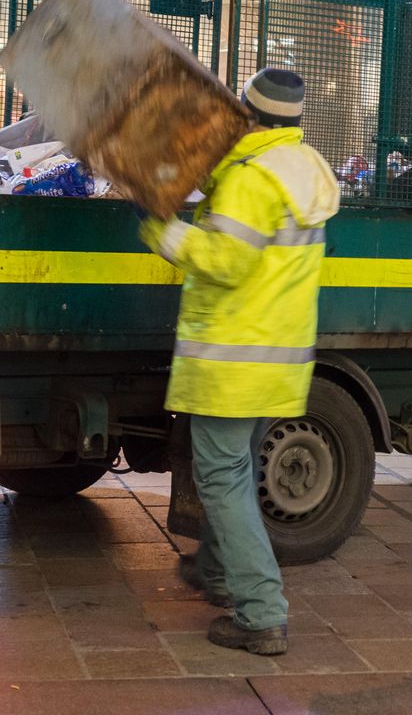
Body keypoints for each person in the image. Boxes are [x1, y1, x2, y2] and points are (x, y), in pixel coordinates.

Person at [139, 67, 340, 656]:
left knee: (222, 478)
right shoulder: (298, 169)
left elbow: (226, 261)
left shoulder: (252, 180)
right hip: (275, 357)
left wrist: (161, 230)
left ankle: (261, 614)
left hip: (231, 361)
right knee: (235, 472)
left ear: (248, 118)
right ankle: (218, 573)